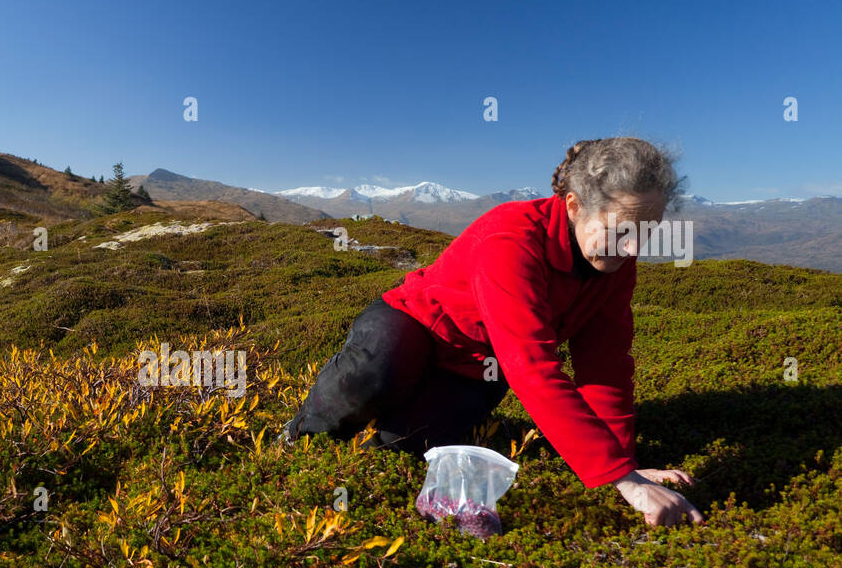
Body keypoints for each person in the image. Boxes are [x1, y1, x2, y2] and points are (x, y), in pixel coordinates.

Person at [280, 137, 703, 528]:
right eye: (621, 230)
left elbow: (605, 363)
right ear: (574, 206)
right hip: (414, 325)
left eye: (646, 231)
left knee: (402, 446)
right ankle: (295, 440)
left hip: (478, 366)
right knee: (372, 378)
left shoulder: (613, 262)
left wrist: (623, 464)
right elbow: (532, 367)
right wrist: (625, 483)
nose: (633, 250)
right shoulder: (511, 238)